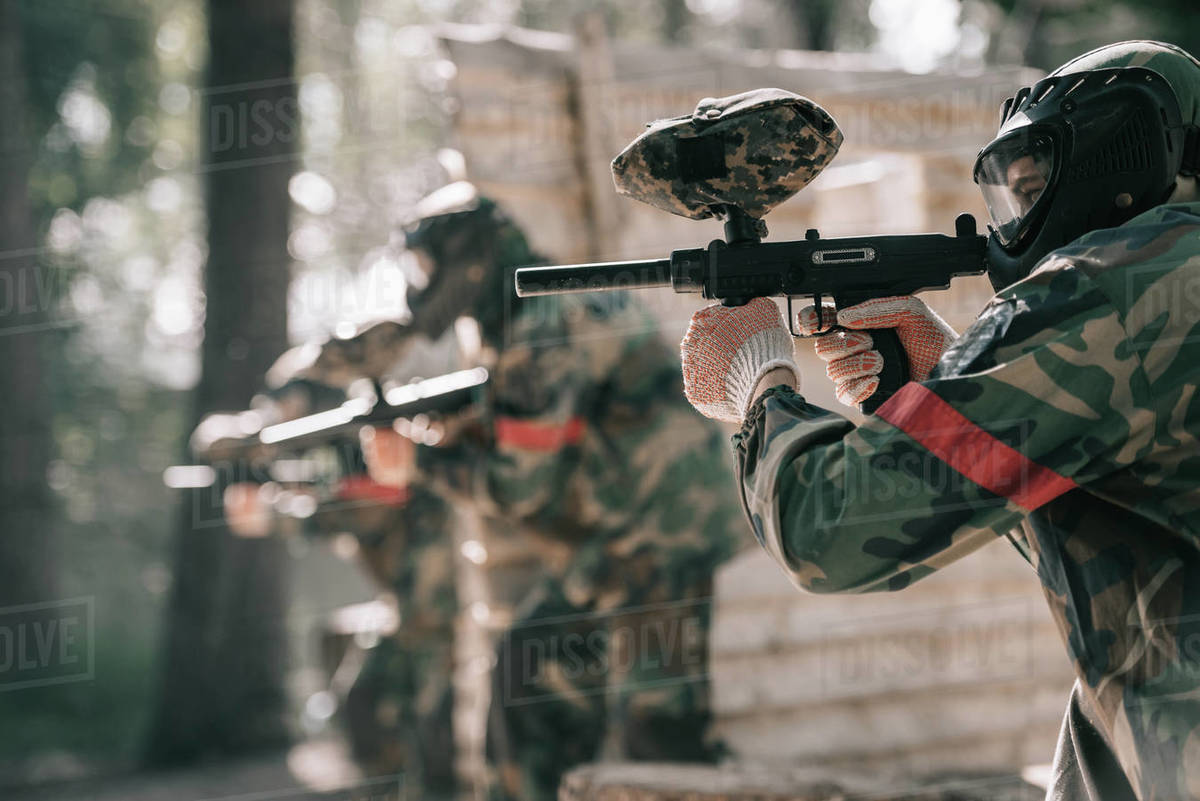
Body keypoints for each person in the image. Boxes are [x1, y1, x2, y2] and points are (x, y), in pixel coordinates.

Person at [678, 41, 1200, 800]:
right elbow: (1131, 518)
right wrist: (951, 383)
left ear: (1115, 154)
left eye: (1032, 184)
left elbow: (829, 531)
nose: (1017, 218)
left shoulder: (1116, 282)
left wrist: (760, 380)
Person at [362, 180, 748, 801]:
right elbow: (537, 422)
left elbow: (522, 486)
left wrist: (420, 464)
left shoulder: (547, 318)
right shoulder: (524, 308)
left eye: (429, 264)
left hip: (657, 540)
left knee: (665, 740)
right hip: (616, 544)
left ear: (473, 257)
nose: (420, 282)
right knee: (527, 679)